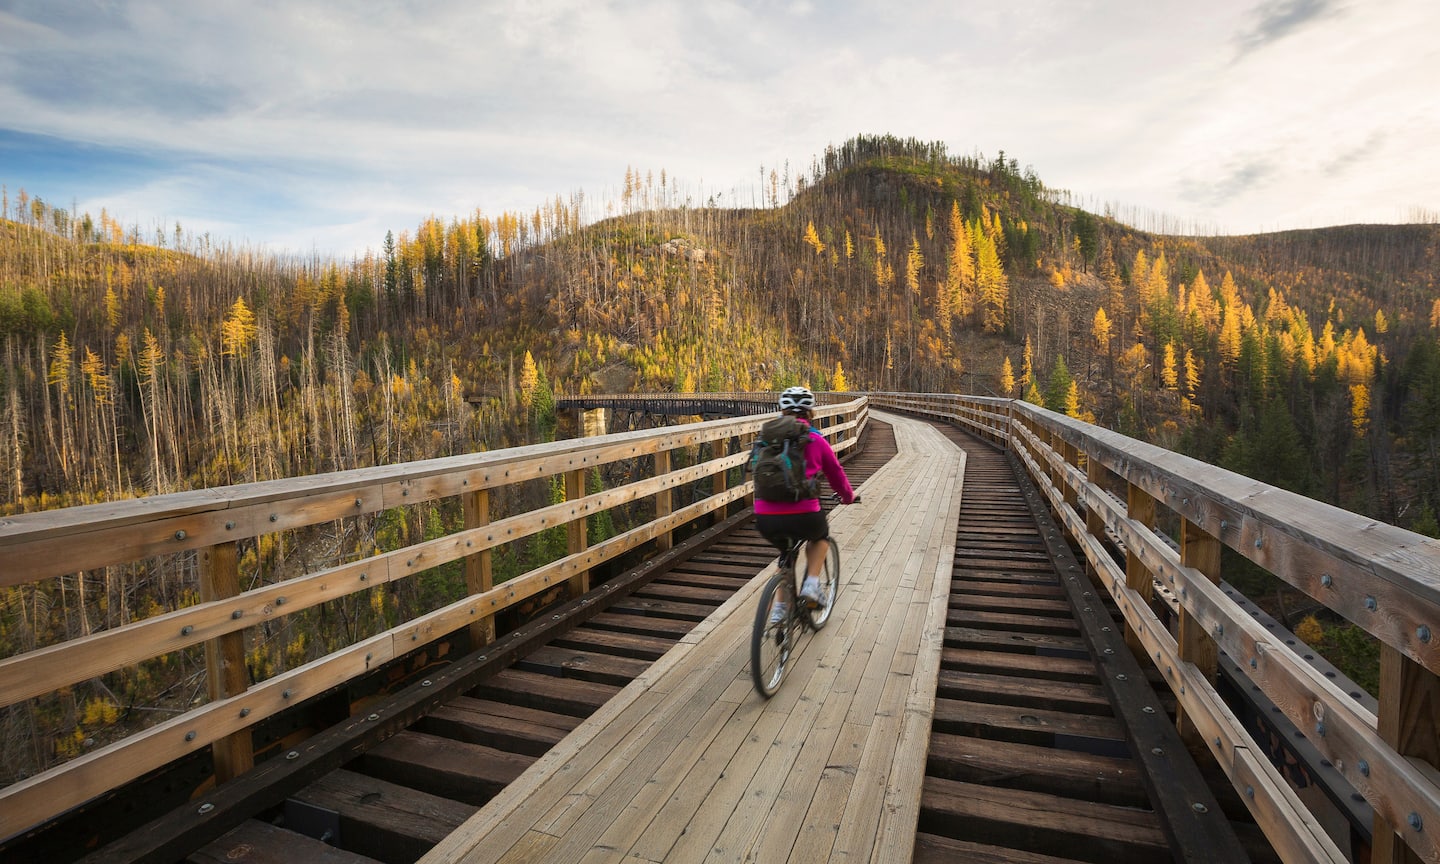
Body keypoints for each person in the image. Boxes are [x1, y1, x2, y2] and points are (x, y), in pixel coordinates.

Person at [753, 386, 858, 623]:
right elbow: (835, 473)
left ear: (782, 411)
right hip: (805, 514)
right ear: (810, 413)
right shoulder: (815, 439)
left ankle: (779, 609)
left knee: (785, 556)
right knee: (820, 536)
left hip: (765, 517)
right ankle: (811, 584)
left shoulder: (766, 440)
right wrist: (848, 496)